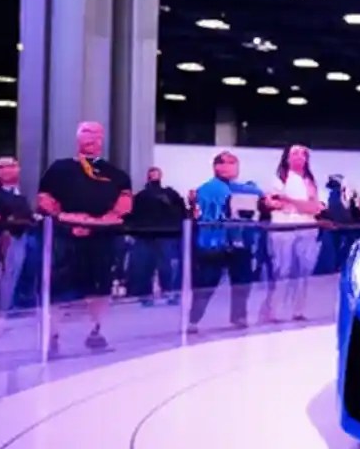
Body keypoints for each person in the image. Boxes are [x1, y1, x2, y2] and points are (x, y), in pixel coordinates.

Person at [36, 121, 133, 355]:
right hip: (65, 239)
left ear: (102, 139)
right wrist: (68, 220)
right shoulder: (59, 169)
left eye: (96, 135)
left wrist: (93, 224)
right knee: (59, 288)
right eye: (86, 134)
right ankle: (52, 337)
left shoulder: (116, 175)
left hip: (101, 240)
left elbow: (124, 207)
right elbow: (44, 200)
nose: (92, 139)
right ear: (77, 138)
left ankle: (96, 333)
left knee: (99, 288)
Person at [188, 151, 265, 333]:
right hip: (213, 242)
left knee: (241, 281)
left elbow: (257, 198)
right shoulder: (207, 189)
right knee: (207, 282)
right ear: (217, 166)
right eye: (228, 163)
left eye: (234, 163)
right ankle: (193, 319)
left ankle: (239, 317)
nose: (232, 167)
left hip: (239, 242)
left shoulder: (245, 189)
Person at [262, 144, 325, 322]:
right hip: (283, 229)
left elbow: (314, 208)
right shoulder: (277, 180)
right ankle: (275, 310)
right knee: (282, 269)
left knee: (303, 270)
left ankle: (298, 309)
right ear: (287, 157)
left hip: (306, 229)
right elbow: (273, 204)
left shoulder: (309, 182)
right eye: (295, 153)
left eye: (303, 154)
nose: (299, 157)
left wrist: (288, 200)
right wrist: (302, 205)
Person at [125, 167, 187, 306]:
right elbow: (180, 212)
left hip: (156, 234)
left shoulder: (146, 195)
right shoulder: (158, 195)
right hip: (156, 234)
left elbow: (133, 215)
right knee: (156, 265)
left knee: (158, 265)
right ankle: (161, 293)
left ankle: (158, 294)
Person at [0, 156, 33, 336]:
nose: (7, 170)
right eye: (2, 167)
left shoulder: (19, 193)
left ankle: (4, 316)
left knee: (12, 279)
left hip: (21, 238)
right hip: (2, 240)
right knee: (2, 278)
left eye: (12, 166)